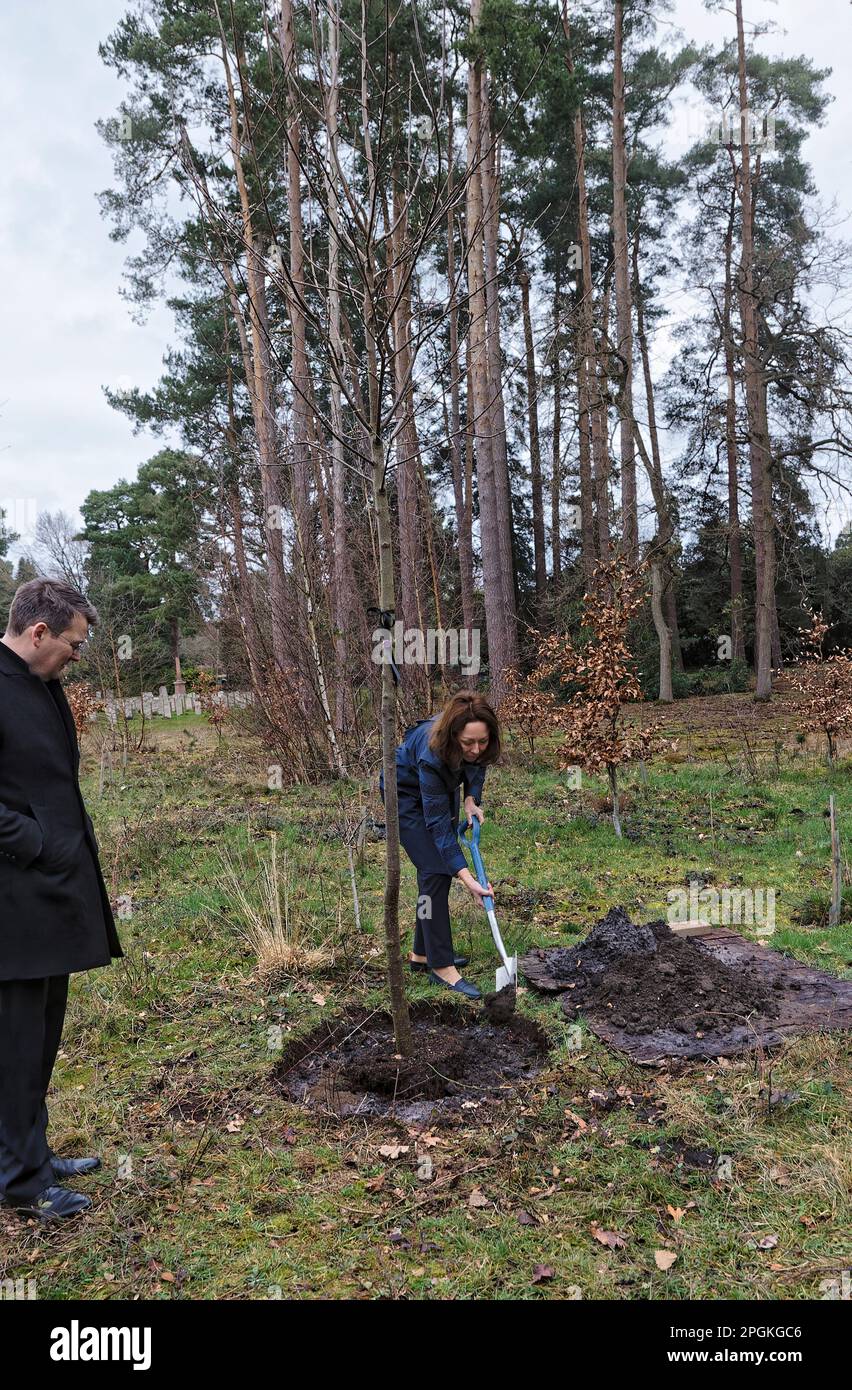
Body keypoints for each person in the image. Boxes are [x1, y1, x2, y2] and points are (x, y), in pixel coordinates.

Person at [0, 579, 123, 1223]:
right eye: (73, 644)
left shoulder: (40, 685)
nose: (78, 656)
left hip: (50, 895)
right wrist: (34, 840)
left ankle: (32, 1154)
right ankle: (21, 1182)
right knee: (16, 1043)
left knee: (41, 1035)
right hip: (11, 904)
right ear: (39, 633)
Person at [380, 690, 501, 1000]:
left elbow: (477, 765)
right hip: (405, 792)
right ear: (452, 736)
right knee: (435, 868)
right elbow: (437, 828)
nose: (476, 749)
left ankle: (421, 954)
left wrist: (472, 799)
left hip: (440, 785)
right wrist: (468, 878)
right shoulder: (432, 754)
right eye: (468, 743)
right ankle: (441, 966)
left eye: (482, 741)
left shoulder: (474, 745)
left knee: (432, 873)